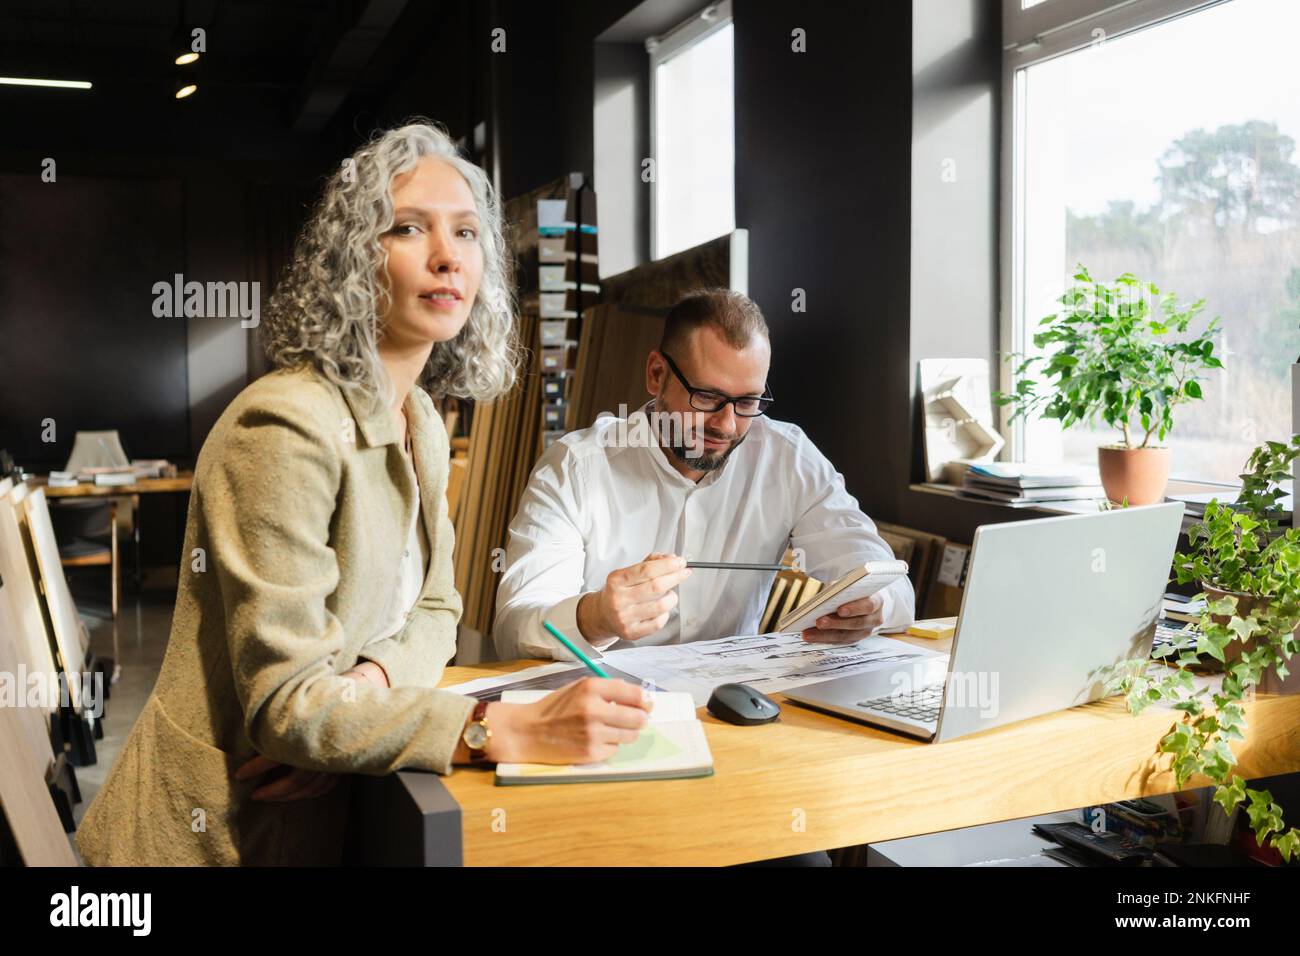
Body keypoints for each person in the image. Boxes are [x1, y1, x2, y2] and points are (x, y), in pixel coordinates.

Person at [75, 120, 650, 866]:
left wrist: (360, 694)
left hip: (328, 816)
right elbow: (287, 708)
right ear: (355, 261)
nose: (448, 257)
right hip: (210, 835)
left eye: (468, 234)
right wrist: (502, 728)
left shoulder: (420, 423)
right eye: (409, 229)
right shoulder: (286, 423)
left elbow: (441, 612)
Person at [494, 288, 915, 662]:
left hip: (730, 706)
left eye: (748, 401)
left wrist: (875, 604)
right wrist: (596, 616)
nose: (727, 426)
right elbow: (513, 629)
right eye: (707, 397)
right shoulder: (576, 467)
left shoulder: (786, 457)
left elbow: (886, 577)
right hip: (603, 709)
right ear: (656, 374)